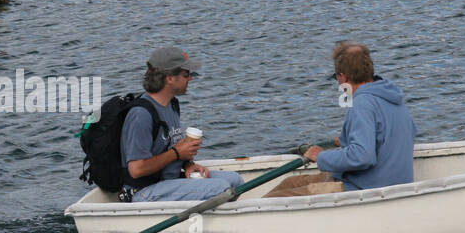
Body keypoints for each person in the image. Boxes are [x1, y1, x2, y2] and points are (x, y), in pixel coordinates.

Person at [267, 41, 416, 197]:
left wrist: (320, 156)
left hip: (367, 187)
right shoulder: (392, 96)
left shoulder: (362, 103)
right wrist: (346, 141)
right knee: (290, 183)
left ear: (343, 77)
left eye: (335, 77)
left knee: (275, 199)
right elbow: (389, 136)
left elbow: (362, 156)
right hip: (393, 182)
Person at [120, 47, 243, 202]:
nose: (190, 78)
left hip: (170, 179)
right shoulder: (141, 115)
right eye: (186, 74)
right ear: (169, 78)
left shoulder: (171, 104)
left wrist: (188, 164)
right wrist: (177, 154)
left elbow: (168, 147)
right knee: (221, 188)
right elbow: (136, 169)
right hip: (144, 190)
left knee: (236, 181)